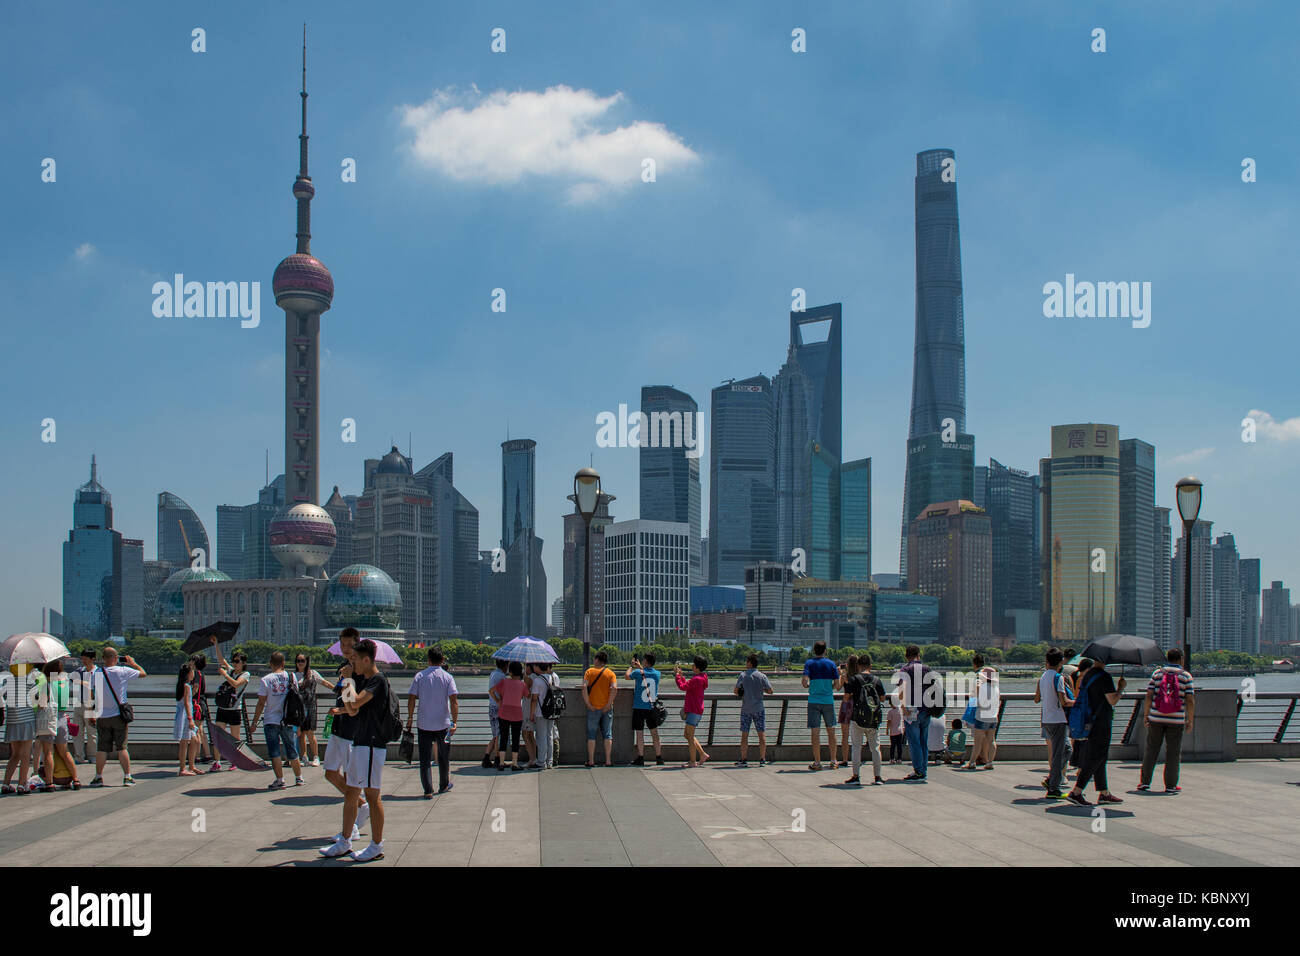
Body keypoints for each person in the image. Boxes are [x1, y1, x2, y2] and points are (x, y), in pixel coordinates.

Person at [323, 639, 390, 861]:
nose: (352, 664)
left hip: (372, 744)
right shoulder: (365, 681)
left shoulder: (378, 681)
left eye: (355, 660)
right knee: (351, 792)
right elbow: (351, 710)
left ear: (366, 659)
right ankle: (345, 840)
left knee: (372, 795)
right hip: (359, 742)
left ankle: (377, 845)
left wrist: (350, 681)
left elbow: (357, 702)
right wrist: (346, 682)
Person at [321, 629, 369, 847]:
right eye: (342, 645)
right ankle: (361, 804)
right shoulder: (344, 669)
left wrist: (348, 680)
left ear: (357, 645)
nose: (345, 649)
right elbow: (342, 698)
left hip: (352, 732)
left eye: (349, 645)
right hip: (338, 730)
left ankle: (350, 831)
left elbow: (354, 708)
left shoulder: (360, 673)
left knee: (351, 781)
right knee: (330, 773)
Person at [1066, 660, 1127, 807]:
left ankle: (1104, 793)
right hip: (1101, 722)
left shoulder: (1088, 675)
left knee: (1101, 756)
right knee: (1096, 757)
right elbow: (1112, 700)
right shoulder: (1104, 676)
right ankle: (1076, 792)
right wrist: (1120, 688)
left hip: (1089, 720)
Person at [1138, 648, 1195, 793]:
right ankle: (1170, 785)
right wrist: (1190, 719)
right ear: (1181, 659)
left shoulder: (1157, 674)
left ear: (1167, 658)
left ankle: (1144, 782)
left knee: (1151, 749)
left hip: (1156, 717)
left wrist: (1146, 715)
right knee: (1173, 752)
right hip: (1176, 719)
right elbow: (1190, 700)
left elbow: (1149, 695)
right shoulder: (1186, 676)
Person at [90, 647, 146, 788]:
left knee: (102, 748)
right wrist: (132, 663)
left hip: (102, 716)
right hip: (118, 716)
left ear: (103, 658)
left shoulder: (96, 673)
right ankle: (127, 777)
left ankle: (98, 777)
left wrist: (92, 713)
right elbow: (143, 674)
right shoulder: (122, 671)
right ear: (116, 658)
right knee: (122, 747)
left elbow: (92, 695)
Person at [407, 647, 458, 797]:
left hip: (423, 724)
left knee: (424, 758)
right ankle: (444, 785)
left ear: (428, 660)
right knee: (444, 757)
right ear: (442, 660)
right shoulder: (448, 677)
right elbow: (454, 700)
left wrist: (410, 717)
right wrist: (454, 722)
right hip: (444, 725)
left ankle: (428, 790)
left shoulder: (419, 676)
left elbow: (411, 698)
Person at [249, 651, 304, 790]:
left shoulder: (266, 679)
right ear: (283, 663)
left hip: (270, 720)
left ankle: (280, 780)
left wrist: (254, 722)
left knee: (274, 752)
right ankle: (299, 778)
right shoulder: (291, 677)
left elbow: (261, 703)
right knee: (292, 750)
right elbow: (297, 697)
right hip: (288, 719)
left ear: (270, 664)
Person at [34, 661, 80, 791]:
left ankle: (49, 783)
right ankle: (76, 779)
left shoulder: (44, 683)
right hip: (62, 717)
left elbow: (42, 703)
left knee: (48, 751)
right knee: (64, 751)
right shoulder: (64, 681)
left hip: (48, 718)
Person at [1035, 647, 1074, 798]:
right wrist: (1078, 702)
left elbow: (1037, 699)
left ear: (1047, 662)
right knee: (1061, 753)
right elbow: (1064, 702)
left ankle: (1052, 779)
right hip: (1058, 720)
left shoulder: (1042, 677)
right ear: (1061, 662)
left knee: (1065, 750)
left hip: (1046, 719)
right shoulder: (1058, 678)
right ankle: (1053, 789)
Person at [842, 654, 886, 785]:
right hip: (873, 719)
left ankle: (856, 776)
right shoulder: (877, 680)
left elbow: (846, 698)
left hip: (857, 718)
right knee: (875, 748)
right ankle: (878, 777)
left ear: (858, 666)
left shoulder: (854, 679)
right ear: (870, 666)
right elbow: (882, 698)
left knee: (856, 747)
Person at [897, 645, 935, 781]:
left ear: (907, 656)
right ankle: (923, 770)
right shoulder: (927, 669)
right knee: (923, 741)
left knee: (914, 742)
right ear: (919, 655)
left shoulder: (905, 670)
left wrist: (903, 705)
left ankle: (918, 771)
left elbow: (902, 688)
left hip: (912, 709)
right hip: (927, 709)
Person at [802, 641, 841, 770]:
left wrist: (809, 686)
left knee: (815, 732)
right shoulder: (831, 664)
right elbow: (836, 685)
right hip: (828, 700)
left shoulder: (809, 663)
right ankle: (834, 760)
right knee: (831, 731)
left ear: (814, 650)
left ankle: (817, 762)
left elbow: (804, 681)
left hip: (813, 700)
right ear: (825, 650)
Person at [2, 664, 37, 794]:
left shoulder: (7, 681)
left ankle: (6, 783)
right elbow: (36, 699)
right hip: (26, 720)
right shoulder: (30, 682)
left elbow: (3, 697)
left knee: (15, 755)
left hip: (12, 721)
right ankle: (22, 784)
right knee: (26, 755)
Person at [294, 653, 333, 768]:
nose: (300, 663)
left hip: (310, 706)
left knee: (310, 732)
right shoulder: (293, 675)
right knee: (300, 734)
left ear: (307, 662)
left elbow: (324, 682)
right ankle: (304, 757)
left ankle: (316, 757)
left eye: (302, 660)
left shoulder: (313, 674)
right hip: (298, 708)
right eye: (298, 660)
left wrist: (337, 689)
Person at [212, 644, 251, 754]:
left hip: (235, 709)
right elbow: (221, 660)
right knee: (218, 735)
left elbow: (236, 684)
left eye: (237, 661)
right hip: (223, 708)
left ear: (243, 663)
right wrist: (216, 644)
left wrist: (225, 674)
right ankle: (217, 762)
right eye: (233, 661)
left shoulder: (246, 674)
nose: (234, 663)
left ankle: (235, 760)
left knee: (235, 738)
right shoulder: (231, 671)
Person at [734, 654, 773, 766]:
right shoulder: (762, 676)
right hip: (759, 708)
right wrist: (762, 690)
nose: (746, 664)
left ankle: (744, 759)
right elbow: (770, 691)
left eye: (747, 661)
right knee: (761, 735)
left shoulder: (743, 675)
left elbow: (736, 691)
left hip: (746, 709)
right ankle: (762, 759)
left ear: (750, 663)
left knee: (744, 735)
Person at [582, 651, 617, 768]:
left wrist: (588, 703)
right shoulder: (610, 673)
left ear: (597, 660)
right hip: (606, 708)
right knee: (608, 734)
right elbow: (614, 688)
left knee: (591, 734)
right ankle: (608, 760)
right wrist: (608, 704)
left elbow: (584, 687)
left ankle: (591, 761)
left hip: (592, 707)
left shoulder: (589, 672)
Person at [626, 653, 663, 766]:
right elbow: (647, 674)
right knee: (654, 733)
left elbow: (627, 676)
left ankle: (641, 757)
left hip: (639, 707)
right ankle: (659, 758)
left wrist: (632, 666)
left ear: (646, 661)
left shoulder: (638, 672)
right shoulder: (657, 674)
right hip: (651, 707)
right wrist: (641, 667)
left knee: (640, 733)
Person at [964, 654, 999, 770]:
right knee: (991, 740)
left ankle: (972, 762)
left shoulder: (980, 684)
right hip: (993, 716)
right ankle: (989, 762)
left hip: (981, 715)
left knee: (977, 741)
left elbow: (975, 699)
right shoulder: (995, 687)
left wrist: (970, 713)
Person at [491, 661, 528, 771]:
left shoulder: (504, 682)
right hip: (517, 713)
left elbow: (491, 691)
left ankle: (501, 763)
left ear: (510, 672)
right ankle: (515, 763)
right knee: (516, 739)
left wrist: (498, 701)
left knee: (503, 737)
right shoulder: (522, 684)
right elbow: (528, 695)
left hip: (504, 712)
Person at [675, 657, 710, 768]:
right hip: (696, 710)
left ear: (697, 667)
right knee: (687, 734)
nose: (692, 666)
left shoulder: (697, 679)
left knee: (689, 737)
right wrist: (681, 677)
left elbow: (683, 687)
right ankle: (702, 754)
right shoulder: (701, 678)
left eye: (694, 665)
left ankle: (692, 761)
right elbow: (689, 686)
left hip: (694, 710)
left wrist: (677, 677)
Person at [173, 661, 202, 776]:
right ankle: (182, 769)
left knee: (194, 740)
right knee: (184, 742)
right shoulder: (186, 686)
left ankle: (191, 765)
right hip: (185, 716)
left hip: (185, 715)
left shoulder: (184, 686)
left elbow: (187, 701)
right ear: (189, 673)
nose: (193, 674)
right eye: (192, 672)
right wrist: (190, 718)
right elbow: (186, 703)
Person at [530, 662, 559, 769]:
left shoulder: (537, 681)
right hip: (551, 711)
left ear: (538, 667)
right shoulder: (553, 677)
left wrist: (531, 713)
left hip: (540, 712)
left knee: (541, 736)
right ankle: (549, 761)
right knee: (549, 736)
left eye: (535, 665)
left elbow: (534, 699)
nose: (533, 667)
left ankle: (541, 761)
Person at [71, 649, 98, 763]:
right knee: (77, 732)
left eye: (86, 659)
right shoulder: (79, 670)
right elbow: (71, 678)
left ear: (93, 659)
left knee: (92, 733)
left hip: (91, 705)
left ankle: (93, 756)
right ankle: (79, 756)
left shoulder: (98, 672)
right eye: (82, 658)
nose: (84, 661)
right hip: (78, 704)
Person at [482, 658, 508, 769]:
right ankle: (497, 759)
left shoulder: (493, 673)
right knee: (499, 735)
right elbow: (495, 691)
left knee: (495, 735)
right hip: (498, 708)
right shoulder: (501, 676)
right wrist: (499, 700)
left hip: (492, 707)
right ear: (505, 665)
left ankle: (486, 758)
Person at [1066, 656, 1092, 771]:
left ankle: (1078, 763)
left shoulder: (1076, 676)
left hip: (1076, 711)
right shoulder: (1083, 679)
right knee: (1084, 739)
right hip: (1083, 712)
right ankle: (1081, 766)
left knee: (1078, 738)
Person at [189, 654, 213, 767]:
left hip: (196, 704)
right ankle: (207, 754)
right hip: (201, 703)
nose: (189, 662)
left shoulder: (196, 674)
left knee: (196, 730)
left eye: (190, 660)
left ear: (194, 662)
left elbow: (196, 688)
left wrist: (187, 697)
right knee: (201, 730)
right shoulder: (201, 673)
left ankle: (196, 756)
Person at [886, 696, 904, 764]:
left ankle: (892, 759)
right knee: (899, 746)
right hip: (900, 731)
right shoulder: (900, 710)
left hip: (893, 732)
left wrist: (887, 730)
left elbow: (889, 722)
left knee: (893, 746)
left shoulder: (890, 712)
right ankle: (899, 759)